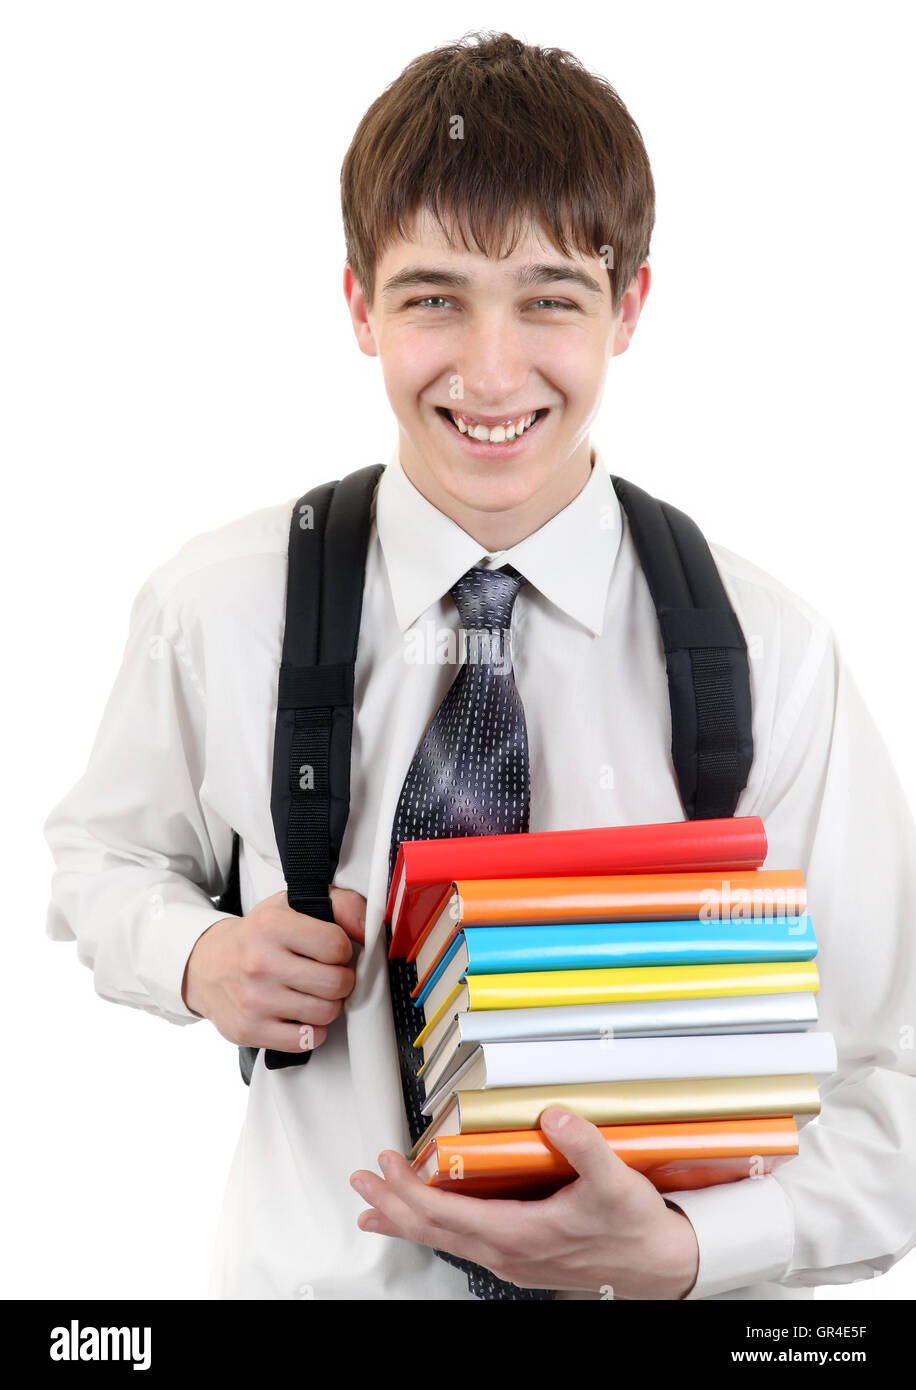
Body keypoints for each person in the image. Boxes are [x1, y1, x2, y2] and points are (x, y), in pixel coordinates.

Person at [43, 30, 916, 1301]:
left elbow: (889, 1077)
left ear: (630, 307)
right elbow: (102, 860)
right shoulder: (215, 607)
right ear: (358, 306)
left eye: (552, 297)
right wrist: (198, 957)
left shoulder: (772, 654)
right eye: (433, 296)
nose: (493, 372)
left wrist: (682, 1251)